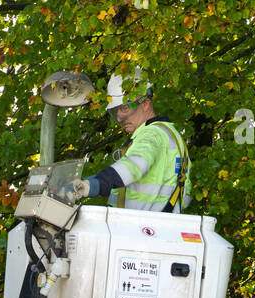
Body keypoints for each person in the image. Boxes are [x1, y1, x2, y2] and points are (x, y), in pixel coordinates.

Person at [72, 70, 192, 213]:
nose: (119, 118)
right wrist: (87, 181)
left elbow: (135, 165)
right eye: (115, 111)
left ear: (146, 104)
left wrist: (96, 184)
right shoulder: (166, 133)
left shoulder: (152, 134)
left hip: (144, 228)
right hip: (155, 225)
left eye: (124, 108)